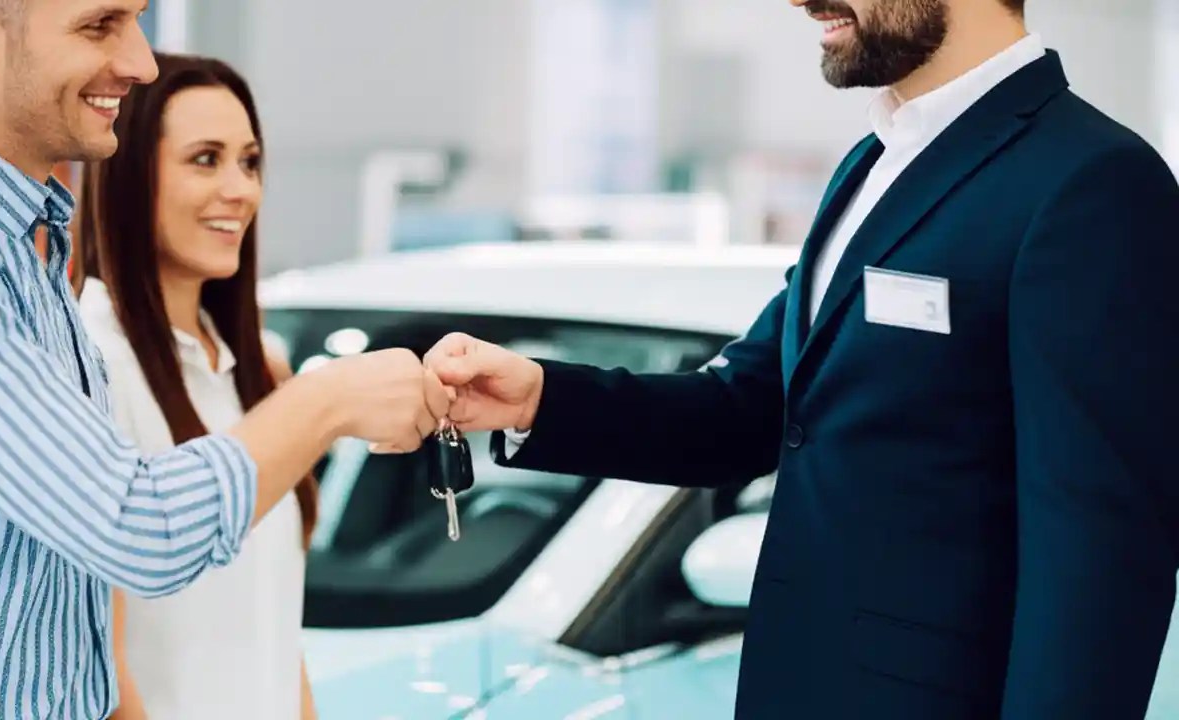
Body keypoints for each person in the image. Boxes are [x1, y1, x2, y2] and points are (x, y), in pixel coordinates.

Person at [421, 0, 1179, 718]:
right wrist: (539, 401)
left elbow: (1099, 561)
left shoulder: (1093, 182)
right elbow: (752, 408)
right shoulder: (873, 164)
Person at [0, 2, 448, 718]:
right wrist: (330, 401)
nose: (141, 62)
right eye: (101, 25)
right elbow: (137, 528)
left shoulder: (21, 252)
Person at [76, 52, 318, 720]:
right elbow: (104, 670)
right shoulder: (91, 364)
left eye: (249, 160)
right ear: (127, 175)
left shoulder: (263, 366)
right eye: (205, 159)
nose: (241, 189)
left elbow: (276, 632)